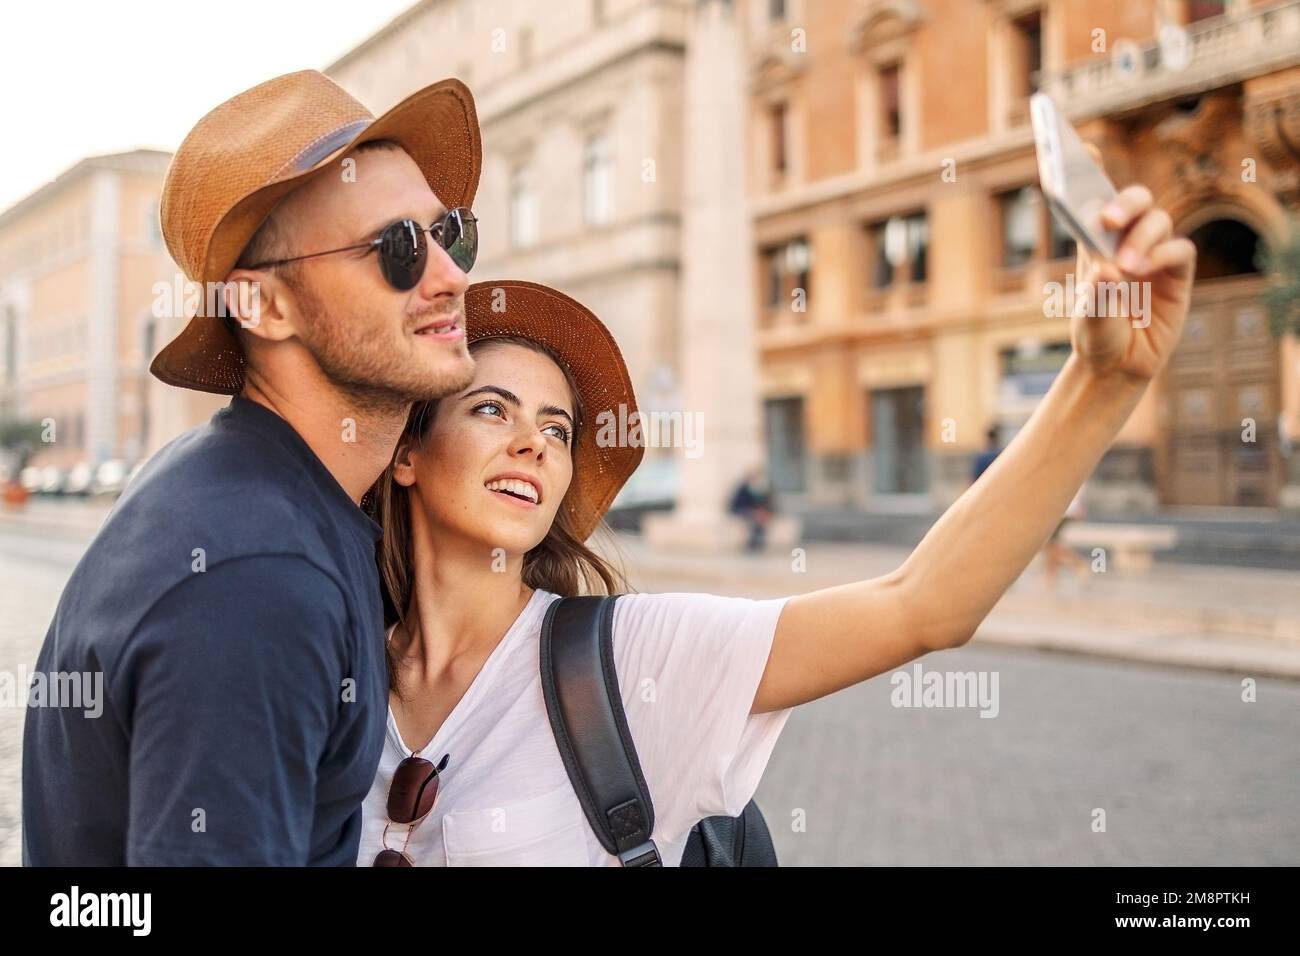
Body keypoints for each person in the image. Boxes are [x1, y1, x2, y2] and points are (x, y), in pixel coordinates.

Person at [362, 158, 1197, 866]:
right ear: (406, 451)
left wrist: (1104, 384)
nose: (536, 445)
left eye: (558, 427)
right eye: (491, 411)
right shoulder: (335, 672)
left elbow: (922, 606)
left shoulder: (628, 657)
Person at [22, 70, 483, 865]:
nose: (451, 275)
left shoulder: (250, 491)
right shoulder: (258, 579)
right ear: (263, 307)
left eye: (452, 234)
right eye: (398, 249)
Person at [729, 466, 773, 552]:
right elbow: (739, 504)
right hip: (743, 510)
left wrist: (763, 511)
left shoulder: (762, 489)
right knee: (754, 520)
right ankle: (753, 542)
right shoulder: (744, 488)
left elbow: (767, 504)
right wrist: (754, 511)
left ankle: (758, 541)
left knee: (761, 519)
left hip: (757, 512)